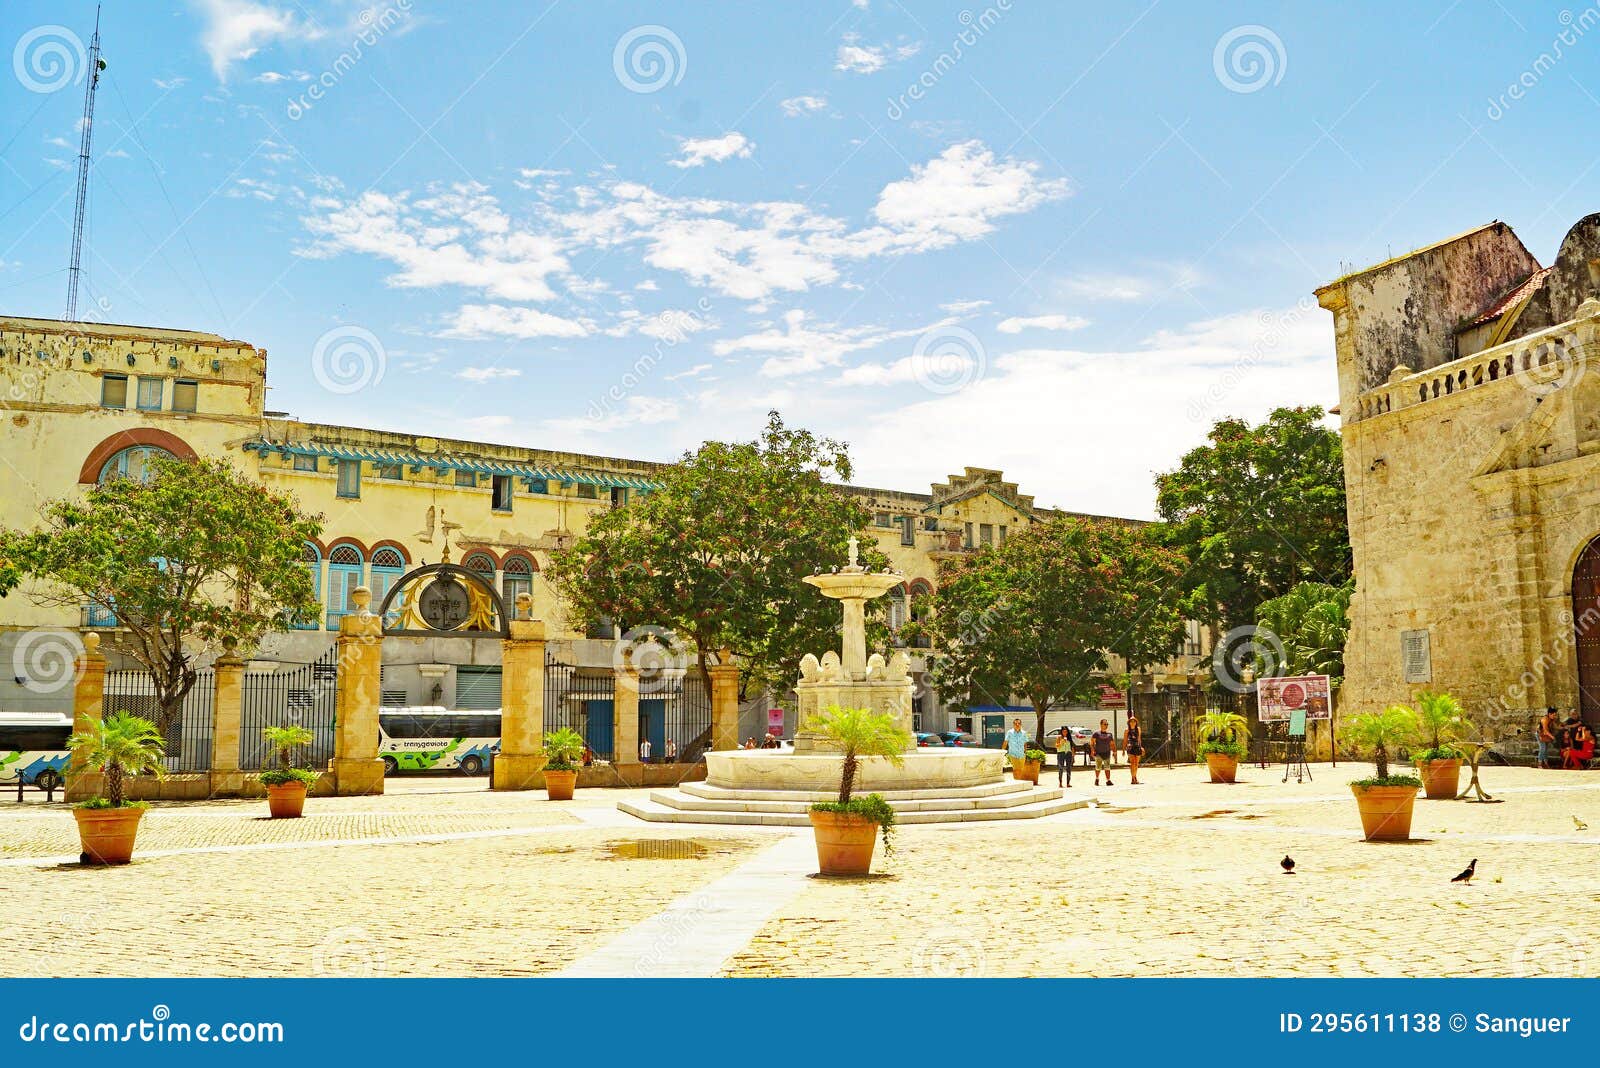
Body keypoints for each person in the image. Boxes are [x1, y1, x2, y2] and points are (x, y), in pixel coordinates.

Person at [1090, 718, 1116, 786]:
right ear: (1101, 725)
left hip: (1107, 752)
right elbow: (1092, 743)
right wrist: (1092, 751)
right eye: (1105, 724)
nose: (1106, 725)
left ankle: (1108, 780)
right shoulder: (1096, 733)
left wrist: (1114, 752)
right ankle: (1097, 779)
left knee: (1107, 767)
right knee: (1098, 767)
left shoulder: (1109, 734)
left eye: (1107, 724)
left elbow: (1112, 744)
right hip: (1098, 753)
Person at [1124, 713, 1144, 785]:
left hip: (1137, 747)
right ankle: (1133, 777)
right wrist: (1123, 750)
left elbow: (1139, 739)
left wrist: (1141, 747)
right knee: (1132, 763)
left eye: (1134, 721)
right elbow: (1125, 740)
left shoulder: (1138, 729)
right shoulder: (1127, 730)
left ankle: (1135, 776)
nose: (1133, 722)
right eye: (1131, 721)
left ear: (1136, 722)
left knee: (1136, 763)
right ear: (1129, 723)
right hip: (1130, 747)